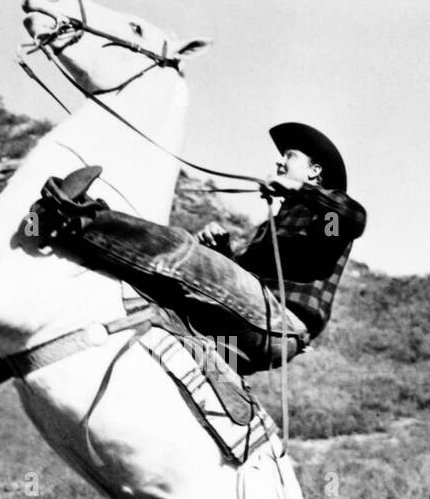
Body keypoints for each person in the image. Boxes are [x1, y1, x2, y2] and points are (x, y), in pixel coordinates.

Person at [30, 122, 366, 375]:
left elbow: (346, 219)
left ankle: (79, 221)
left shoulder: (330, 214)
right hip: (243, 328)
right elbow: (244, 281)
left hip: (280, 326)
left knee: (182, 251)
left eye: (289, 157)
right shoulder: (273, 225)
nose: (279, 163)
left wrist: (299, 190)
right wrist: (225, 253)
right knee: (154, 310)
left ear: (315, 171)